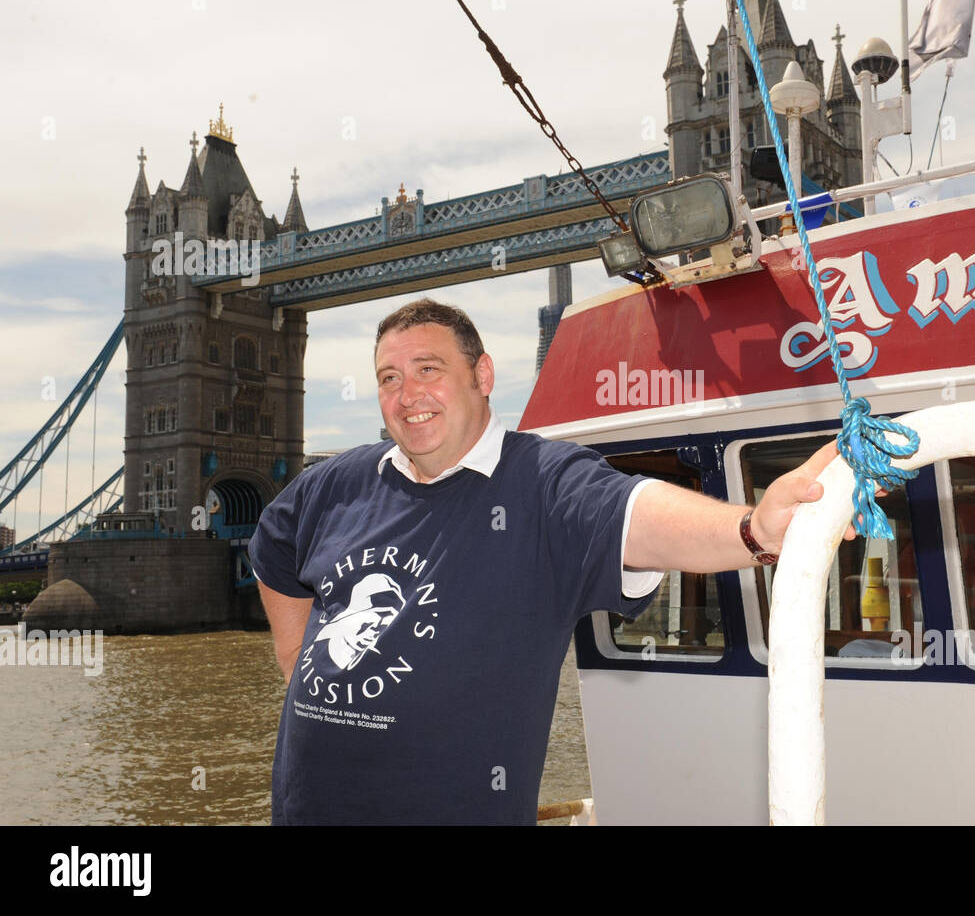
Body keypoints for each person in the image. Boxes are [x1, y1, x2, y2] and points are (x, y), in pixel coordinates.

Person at [250, 297, 846, 825]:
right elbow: (273, 549)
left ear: (482, 374)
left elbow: (638, 515)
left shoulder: (543, 482)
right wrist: (301, 664)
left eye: (428, 370)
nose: (407, 396)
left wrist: (750, 527)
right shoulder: (338, 482)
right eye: (388, 378)